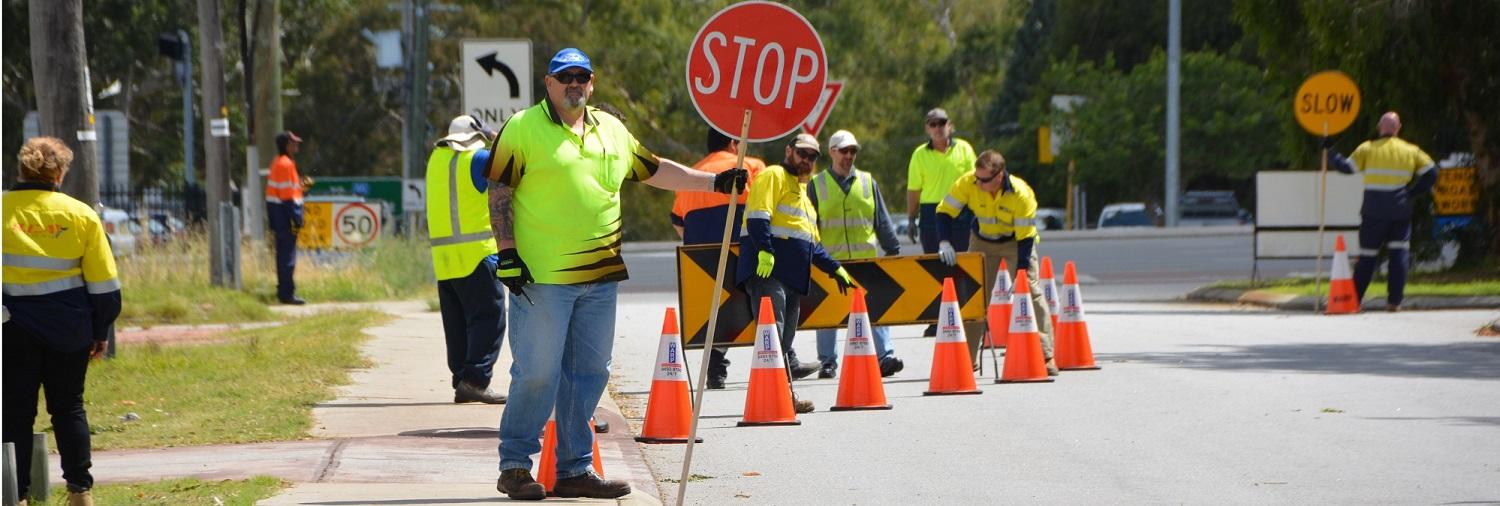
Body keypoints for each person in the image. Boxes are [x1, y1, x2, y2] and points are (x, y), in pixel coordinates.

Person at [480, 47, 748, 501]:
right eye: (565, 76)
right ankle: (515, 466)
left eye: (581, 76)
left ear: (592, 83)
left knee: (589, 373)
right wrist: (506, 251)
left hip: (601, 277)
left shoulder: (611, 128)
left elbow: (653, 169)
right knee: (538, 373)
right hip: (540, 278)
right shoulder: (523, 127)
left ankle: (574, 470)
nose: (574, 84)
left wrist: (713, 183)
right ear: (548, 83)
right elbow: (499, 188)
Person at [3, 137, 123, 506]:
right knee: (69, 408)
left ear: (23, 170)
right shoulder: (81, 215)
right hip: (70, 330)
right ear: (60, 174)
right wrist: (99, 331)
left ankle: (15, 495)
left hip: (11, 329)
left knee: (14, 411)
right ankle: (80, 492)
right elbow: (105, 287)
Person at [736, 133, 859, 410]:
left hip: (792, 279)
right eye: (802, 153)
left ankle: (781, 397)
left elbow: (812, 243)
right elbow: (757, 216)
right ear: (789, 150)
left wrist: (834, 268)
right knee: (773, 337)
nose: (807, 160)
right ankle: (773, 400)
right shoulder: (773, 175)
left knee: (782, 341)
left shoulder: (803, 193)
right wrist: (765, 250)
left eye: (812, 157)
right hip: (769, 273)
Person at [934, 149, 1057, 376]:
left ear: (999, 176)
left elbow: (1025, 238)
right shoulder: (969, 182)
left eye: (984, 180)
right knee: (974, 297)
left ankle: (1047, 355)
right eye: (977, 178)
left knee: (1030, 291)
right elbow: (944, 212)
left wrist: (1021, 271)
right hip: (982, 241)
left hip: (1015, 243)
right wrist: (944, 241)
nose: (978, 183)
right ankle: (967, 360)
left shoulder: (1021, 194)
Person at [670, 127, 767, 390]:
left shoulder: (692, 174)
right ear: (734, 143)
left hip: (700, 258)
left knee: (716, 311)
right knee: (764, 304)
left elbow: (678, 220)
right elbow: (765, 209)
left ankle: (715, 367)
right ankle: (781, 358)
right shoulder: (750, 166)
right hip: (741, 249)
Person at [806, 129, 905, 379]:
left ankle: (885, 357)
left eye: (853, 151)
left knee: (876, 307)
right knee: (829, 310)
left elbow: (881, 219)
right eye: (844, 151)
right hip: (831, 261)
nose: (849, 156)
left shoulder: (867, 182)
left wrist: (893, 249)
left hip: (866, 260)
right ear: (832, 152)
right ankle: (827, 362)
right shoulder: (816, 185)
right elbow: (808, 224)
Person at [426, 115, 507, 404]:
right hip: (477, 256)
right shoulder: (478, 158)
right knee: (489, 318)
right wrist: (493, 135)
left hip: (444, 258)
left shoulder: (436, 161)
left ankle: (462, 379)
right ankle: (475, 381)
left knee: (457, 324)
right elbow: (512, 158)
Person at [1326, 111, 1438, 312]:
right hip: (1400, 208)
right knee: (1399, 254)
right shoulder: (1410, 150)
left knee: (1367, 256)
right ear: (1398, 128)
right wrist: (1412, 192)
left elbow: (1345, 168)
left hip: (1374, 210)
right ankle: (1394, 302)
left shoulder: (1367, 148)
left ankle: (1355, 300)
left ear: (1379, 128)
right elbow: (1432, 172)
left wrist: (1330, 151)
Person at [906, 108, 976, 335]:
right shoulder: (919, 154)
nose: (938, 128)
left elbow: (976, 183)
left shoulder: (964, 149)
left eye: (942, 123)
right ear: (927, 128)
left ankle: (965, 316)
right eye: (933, 124)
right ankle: (938, 319)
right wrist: (911, 218)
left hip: (961, 212)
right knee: (935, 267)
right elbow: (914, 190)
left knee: (962, 265)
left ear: (950, 125)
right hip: (931, 214)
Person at [265, 130, 308, 305]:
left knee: (283, 255)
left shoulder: (278, 162)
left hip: (280, 215)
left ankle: (284, 291)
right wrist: (297, 217)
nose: (297, 145)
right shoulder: (285, 164)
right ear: (286, 145)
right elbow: (287, 197)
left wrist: (303, 187)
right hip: (286, 216)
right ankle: (286, 294)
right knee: (287, 256)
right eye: (293, 142)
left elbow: (289, 190)